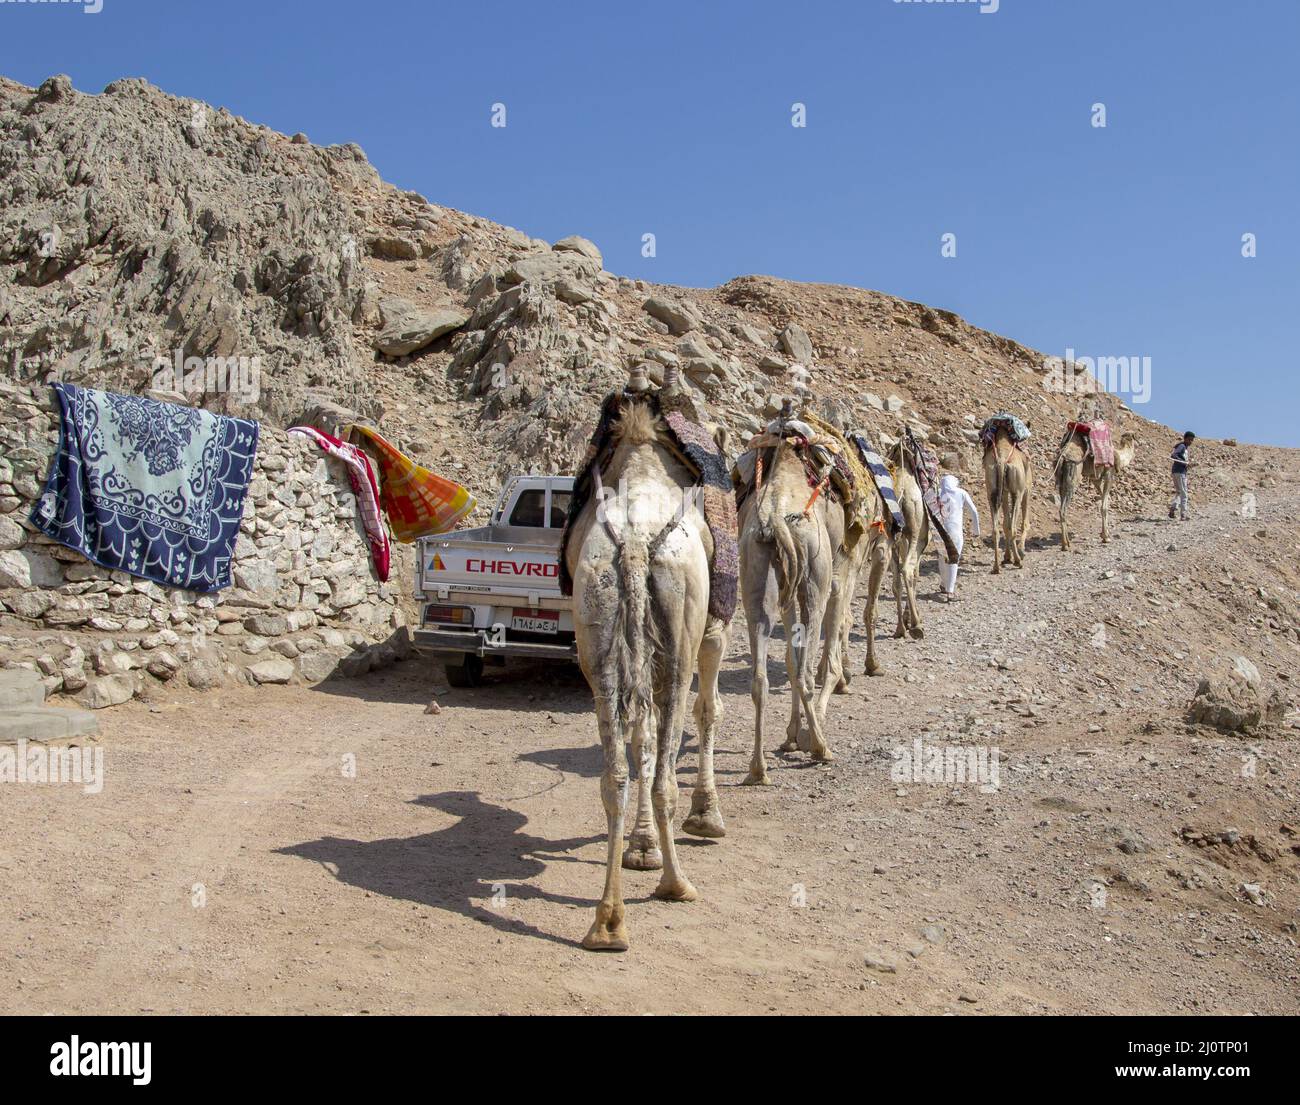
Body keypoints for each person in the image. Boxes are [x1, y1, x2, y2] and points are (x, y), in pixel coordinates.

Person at [935, 473, 980, 601]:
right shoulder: (961, 493)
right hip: (955, 531)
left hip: (940, 530)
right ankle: (950, 591)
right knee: (954, 559)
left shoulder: (937, 493)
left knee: (942, 558)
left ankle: (944, 584)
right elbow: (974, 511)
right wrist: (976, 530)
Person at [1169, 431, 1194, 520]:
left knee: (1179, 492)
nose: (1191, 442)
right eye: (1189, 439)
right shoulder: (1182, 446)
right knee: (1184, 493)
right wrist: (1184, 463)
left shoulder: (1183, 447)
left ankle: (1173, 508)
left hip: (1176, 471)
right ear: (1185, 438)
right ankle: (1183, 514)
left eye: (1192, 440)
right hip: (1180, 472)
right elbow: (1174, 455)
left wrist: (1186, 464)